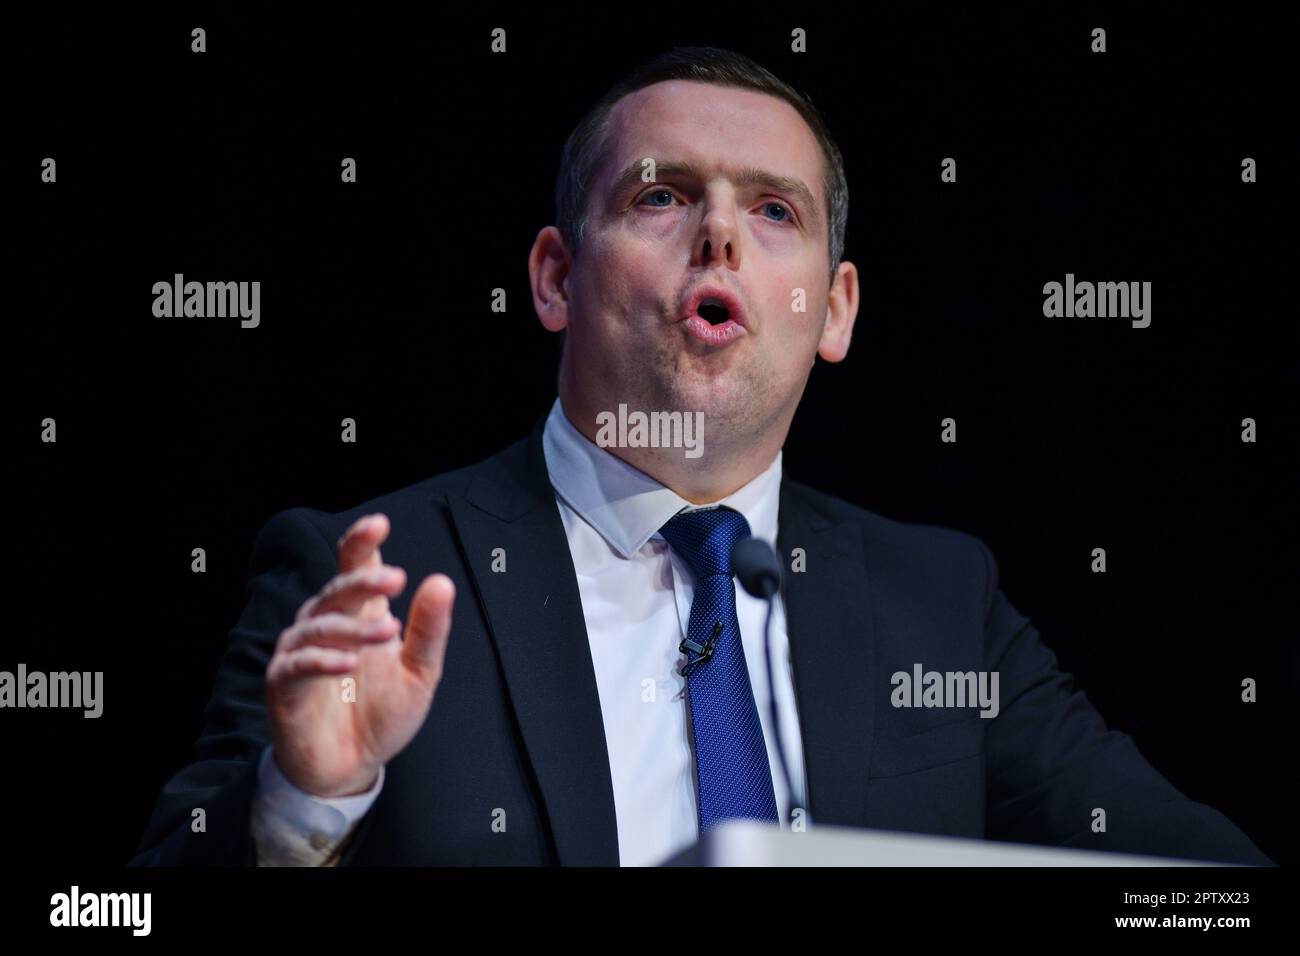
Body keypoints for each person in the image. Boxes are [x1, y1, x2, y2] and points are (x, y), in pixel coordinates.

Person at [132, 46, 1271, 867]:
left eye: (773, 209)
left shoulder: (939, 600)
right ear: (555, 277)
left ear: (833, 311)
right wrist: (304, 799)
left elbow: (1201, 885)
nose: (719, 234)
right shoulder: (369, 574)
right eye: (663, 195)